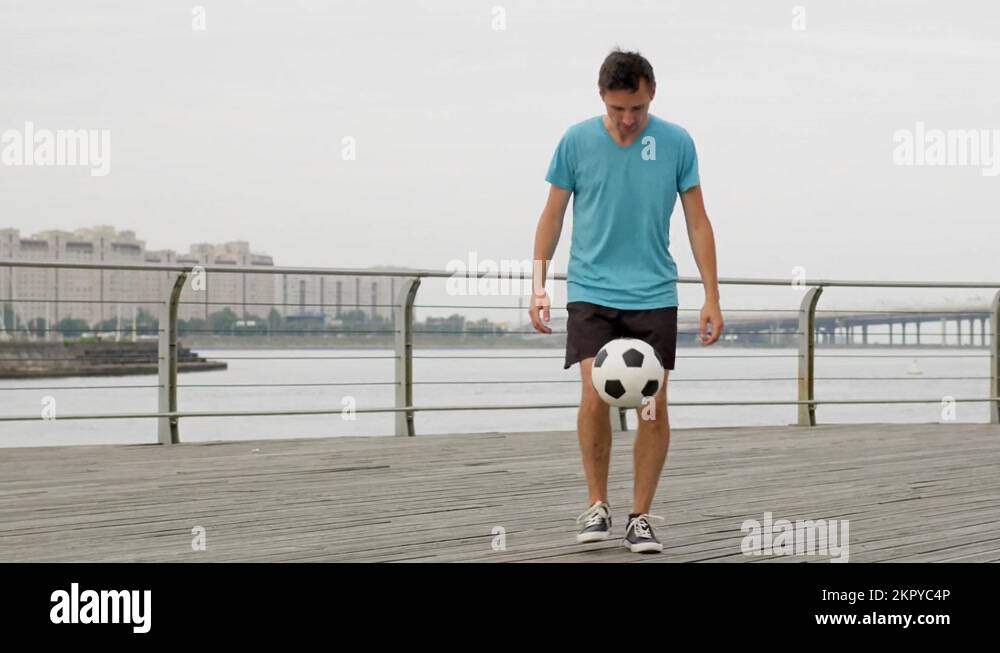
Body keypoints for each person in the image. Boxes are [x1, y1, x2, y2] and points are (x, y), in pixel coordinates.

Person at [529, 48, 724, 554]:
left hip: (654, 293)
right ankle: (597, 504)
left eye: (636, 108)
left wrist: (711, 295)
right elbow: (551, 216)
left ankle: (641, 516)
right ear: (602, 99)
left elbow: (697, 222)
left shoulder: (677, 143)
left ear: (651, 95)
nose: (627, 120)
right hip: (591, 290)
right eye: (617, 109)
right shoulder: (575, 141)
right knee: (594, 394)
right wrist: (538, 282)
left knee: (652, 405)